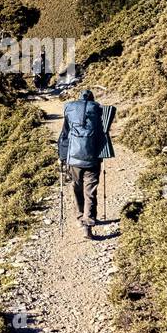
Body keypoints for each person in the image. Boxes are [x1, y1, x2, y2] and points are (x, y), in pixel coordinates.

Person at [57, 89, 108, 239]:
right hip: (92, 158)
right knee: (90, 191)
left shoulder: (69, 109)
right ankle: (88, 225)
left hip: (74, 158)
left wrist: (62, 156)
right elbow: (103, 135)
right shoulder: (98, 111)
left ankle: (80, 217)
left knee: (77, 187)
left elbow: (64, 135)